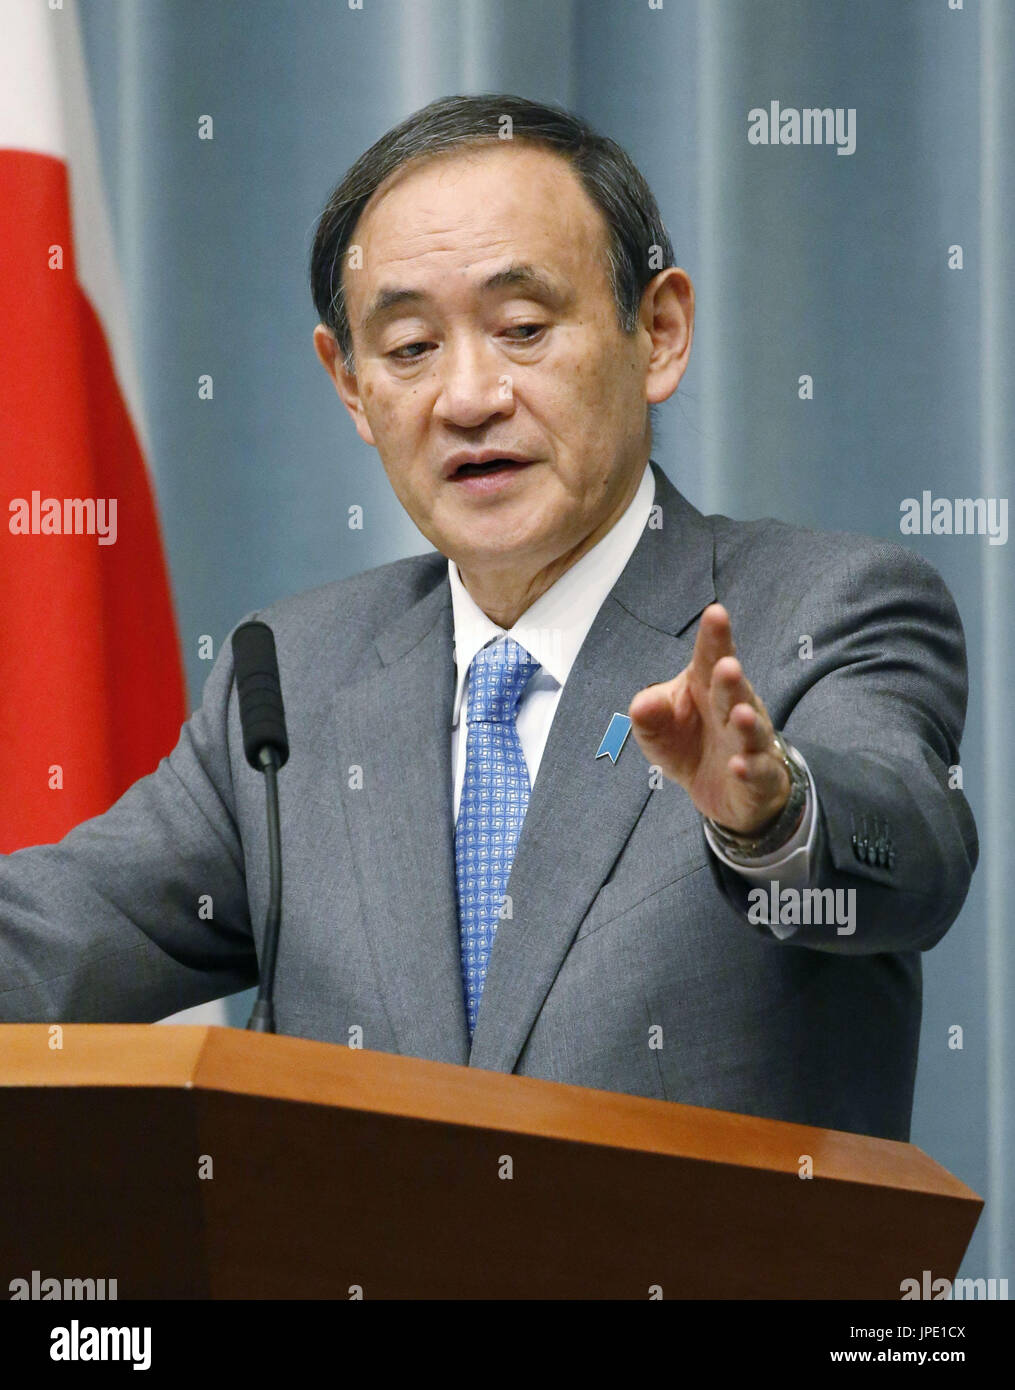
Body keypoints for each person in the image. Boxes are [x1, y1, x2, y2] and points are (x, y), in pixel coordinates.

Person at [0, 95, 977, 1142]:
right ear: (349, 385)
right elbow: (54, 942)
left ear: (657, 332)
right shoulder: (291, 678)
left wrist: (773, 816)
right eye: (411, 347)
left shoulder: (823, 609)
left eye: (520, 330)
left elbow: (911, 852)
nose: (468, 396)